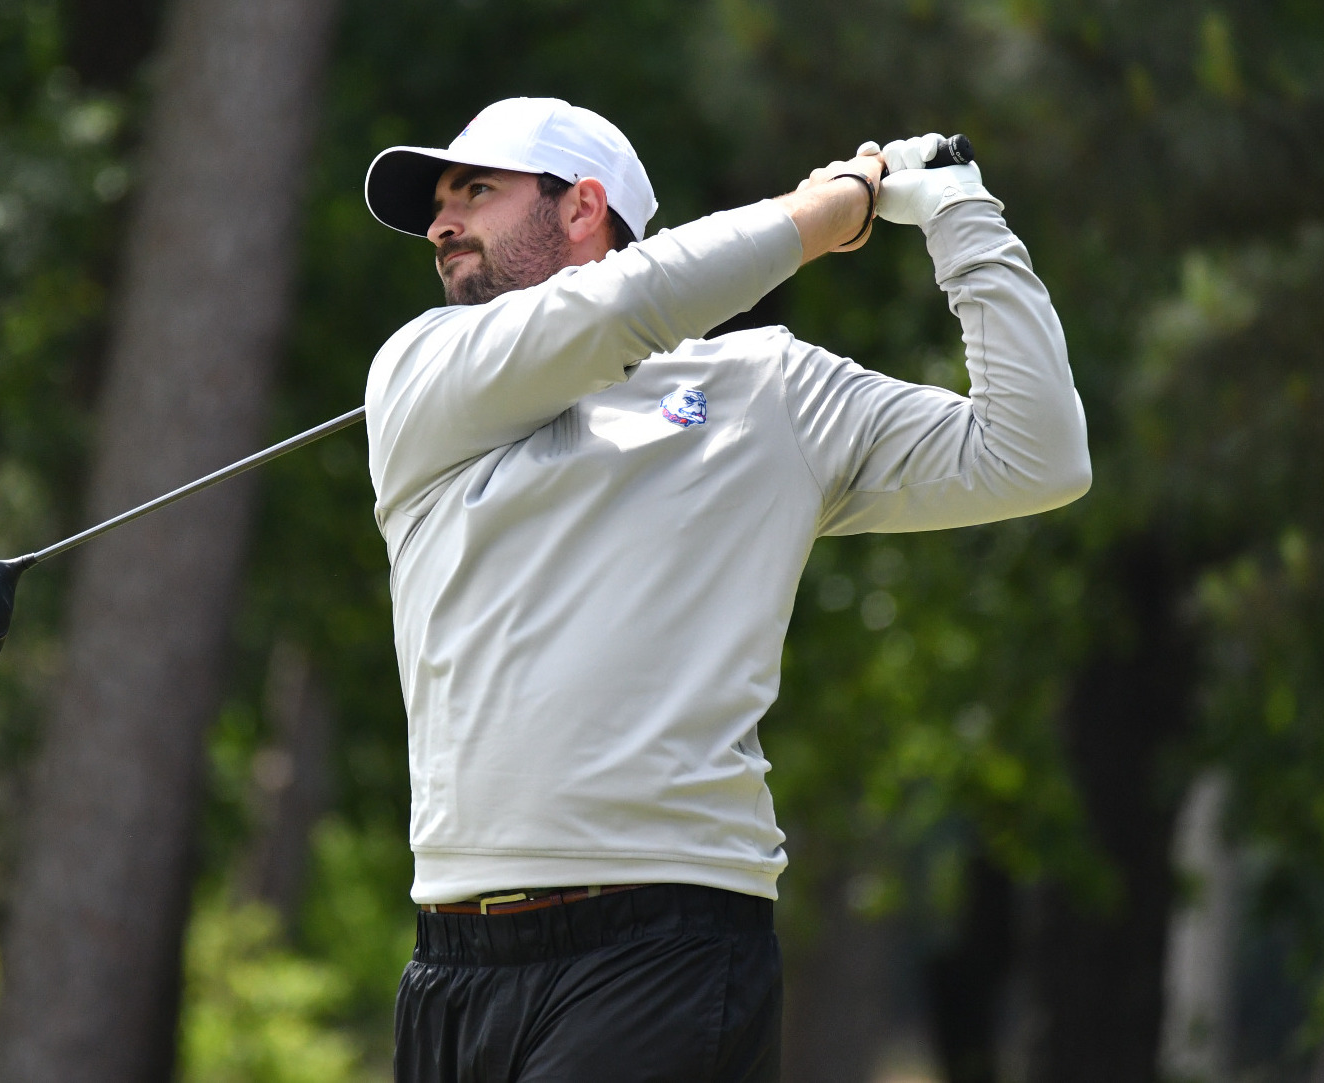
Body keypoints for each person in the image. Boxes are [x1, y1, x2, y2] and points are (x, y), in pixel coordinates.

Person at [360, 96, 1091, 1082]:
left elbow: (1032, 454)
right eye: (439, 203)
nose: (442, 222)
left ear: (581, 208)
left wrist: (960, 215)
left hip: (661, 945)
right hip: (449, 961)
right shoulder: (421, 372)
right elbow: (626, 305)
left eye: (474, 191)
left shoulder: (770, 391)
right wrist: (822, 210)